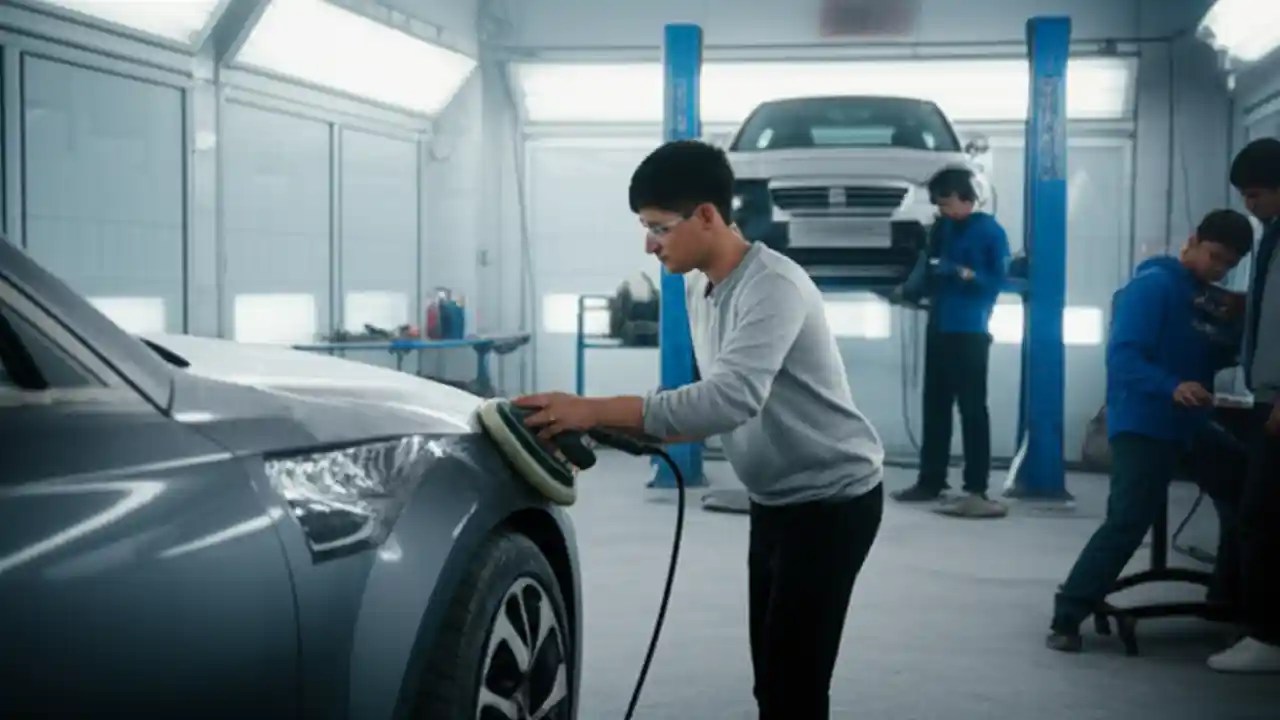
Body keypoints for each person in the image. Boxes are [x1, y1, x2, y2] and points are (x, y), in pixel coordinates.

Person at [513, 139, 886, 718]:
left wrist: (593, 407)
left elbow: (728, 399)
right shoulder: (697, 285)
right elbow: (700, 398)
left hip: (832, 500)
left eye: (658, 226)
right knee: (773, 676)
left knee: (795, 680)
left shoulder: (773, 286)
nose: (648, 242)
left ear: (707, 215)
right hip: (775, 498)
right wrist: (603, 430)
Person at [1046, 209, 1255, 652]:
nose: (1218, 269)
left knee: (1246, 490)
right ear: (1193, 241)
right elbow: (1124, 358)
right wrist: (1172, 385)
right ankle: (1068, 614)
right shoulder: (1153, 288)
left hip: (1190, 423)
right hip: (1144, 421)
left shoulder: (1207, 300)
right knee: (1128, 519)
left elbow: (1213, 349)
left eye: (1228, 265)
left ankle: (1230, 600)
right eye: (1214, 257)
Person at [890, 168, 1011, 518]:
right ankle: (931, 480)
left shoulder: (990, 231)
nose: (944, 211)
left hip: (970, 330)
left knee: (973, 410)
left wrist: (964, 273)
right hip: (940, 326)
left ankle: (976, 488)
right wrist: (911, 288)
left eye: (948, 204)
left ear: (968, 197)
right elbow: (926, 267)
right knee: (935, 406)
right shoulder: (942, 229)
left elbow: (995, 281)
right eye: (939, 206)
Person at [1209, 138, 1280, 673]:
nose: (1249, 206)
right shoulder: (1273, 235)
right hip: (1265, 396)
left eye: (1254, 195)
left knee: (1260, 516)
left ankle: (1267, 637)